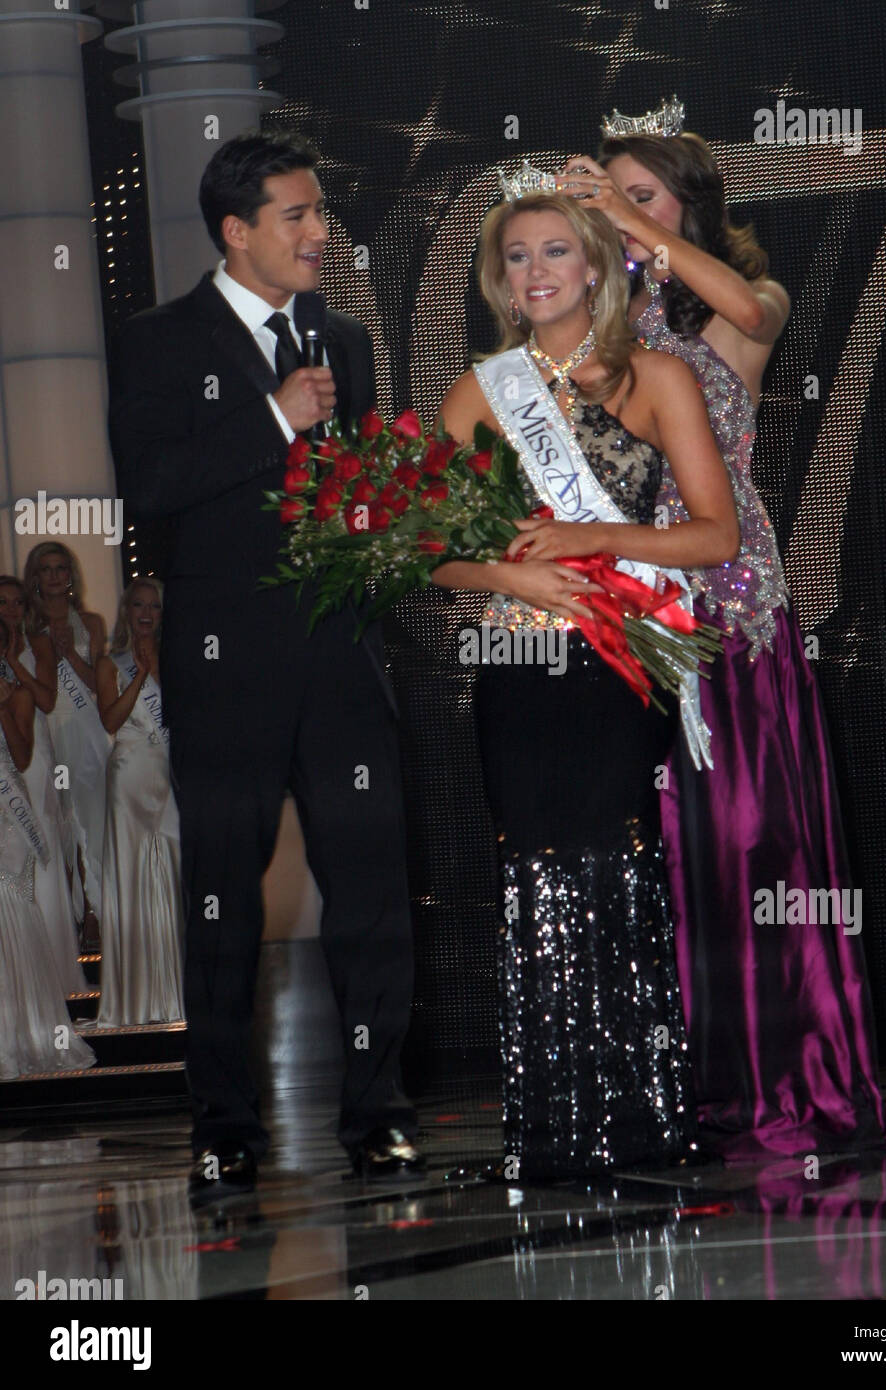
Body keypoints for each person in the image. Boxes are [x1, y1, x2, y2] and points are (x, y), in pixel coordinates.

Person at [554, 120, 886, 1154]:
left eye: (645, 195)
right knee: (655, 853)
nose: (623, 213)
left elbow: (749, 309)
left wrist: (630, 226)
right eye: (610, 196)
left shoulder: (747, 304)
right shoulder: (595, 331)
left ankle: (791, 1072)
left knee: (757, 844)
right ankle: (678, 1079)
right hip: (633, 615)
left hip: (732, 608)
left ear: (689, 208)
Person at [108, 129, 421, 1191]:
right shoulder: (158, 341)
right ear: (237, 231)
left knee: (372, 892)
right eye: (298, 216)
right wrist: (273, 419)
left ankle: (378, 1110)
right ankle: (223, 1121)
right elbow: (148, 488)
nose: (320, 234)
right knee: (222, 901)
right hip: (224, 663)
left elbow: (368, 483)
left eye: (321, 213)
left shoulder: (349, 339)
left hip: (341, 659)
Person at [432, 186, 739, 1177]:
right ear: (503, 283)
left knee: (612, 861)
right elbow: (429, 552)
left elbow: (715, 534)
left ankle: (640, 1117)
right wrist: (511, 572)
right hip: (516, 656)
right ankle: (553, 1127)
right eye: (517, 258)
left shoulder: (656, 377)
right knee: (534, 870)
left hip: (620, 652)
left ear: (597, 268)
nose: (536, 271)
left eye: (555, 251)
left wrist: (595, 534)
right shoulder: (481, 393)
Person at [0, 614, 96, 1080]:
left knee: (14, 908)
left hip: (8, 818)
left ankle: (28, 1033)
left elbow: (21, 756)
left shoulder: (16, 694)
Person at [96, 579, 184, 1026]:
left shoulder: (178, 659)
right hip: (129, 776)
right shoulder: (110, 663)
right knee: (131, 875)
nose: (146, 612)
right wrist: (141, 677)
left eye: (154, 605)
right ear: (127, 610)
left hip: (167, 773)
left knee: (169, 870)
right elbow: (110, 719)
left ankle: (175, 991)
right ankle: (133, 998)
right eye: (139, 604)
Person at [0, 577, 85, 997]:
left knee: (43, 851)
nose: (11, 609)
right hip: (4, 754)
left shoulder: (40, 643)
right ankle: (18, 971)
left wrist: (14, 662)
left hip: (34, 756)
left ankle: (55, 972)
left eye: (17, 601)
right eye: (3, 602)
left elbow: (48, 701)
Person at [24, 542, 110, 951]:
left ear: (71, 574)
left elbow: (99, 684)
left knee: (89, 820)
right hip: (44, 726)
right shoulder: (24, 623)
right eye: (46, 569)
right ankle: (64, 919)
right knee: (55, 822)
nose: (55, 576)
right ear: (35, 577)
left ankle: (93, 912)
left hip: (83, 727)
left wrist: (69, 657)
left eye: (61, 568)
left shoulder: (90, 621)